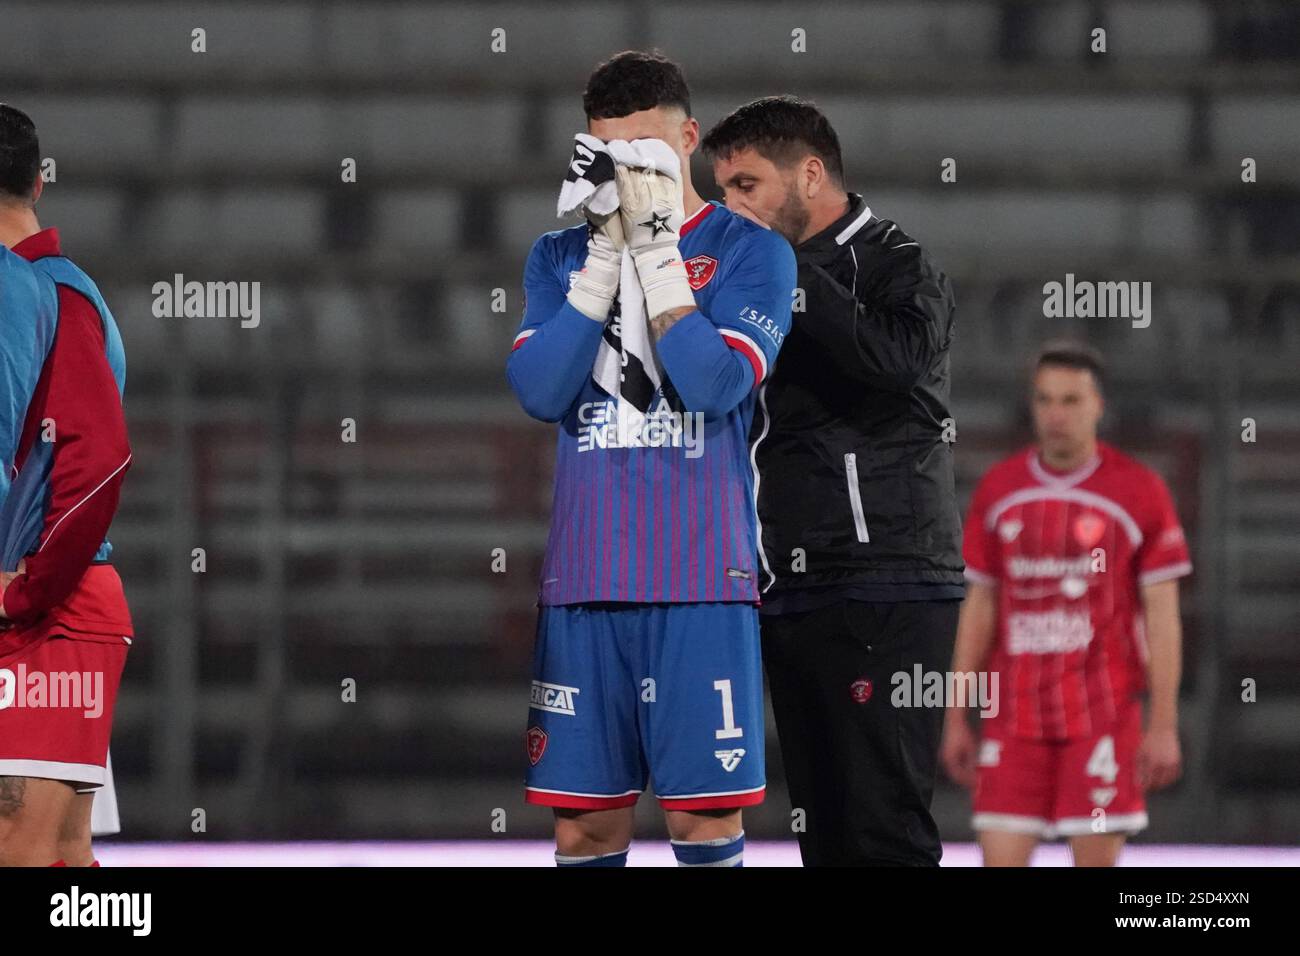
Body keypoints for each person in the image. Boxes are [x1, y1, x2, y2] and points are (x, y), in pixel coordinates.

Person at [507, 52, 795, 867]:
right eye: (610, 154)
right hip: (584, 582)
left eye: (646, 153)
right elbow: (539, 389)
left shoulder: (752, 251)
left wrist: (660, 253)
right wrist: (604, 262)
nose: (627, 174)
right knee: (584, 828)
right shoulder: (557, 256)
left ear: (689, 141)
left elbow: (712, 383)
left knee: (703, 821)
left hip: (701, 579)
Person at [703, 95, 965, 866]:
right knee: (824, 832)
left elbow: (898, 364)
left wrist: (794, 279)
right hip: (794, 584)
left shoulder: (894, 259)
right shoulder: (755, 275)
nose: (731, 207)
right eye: (723, 192)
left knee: (883, 826)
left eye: (746, 186)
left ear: (809, 174)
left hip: (886, 578)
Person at [941, 342, 1189, 866]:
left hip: (1102, 717)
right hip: (1011, 716)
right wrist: (956, 712)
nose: (1055, 415)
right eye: (1045, 400)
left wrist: (1163, 723)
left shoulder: (1139, 491)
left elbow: (1163, 617)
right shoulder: (1000, 488)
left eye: (1071, 401)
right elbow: (978, 609)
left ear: (1099, 405)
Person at [0, 103, 133, 867]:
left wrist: (27, 592)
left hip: (49, 618)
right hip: (53, 611)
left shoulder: (41, 289)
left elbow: (101, 456)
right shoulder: (66, 290)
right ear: (40, 183)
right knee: (58, 859)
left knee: (25, 850)